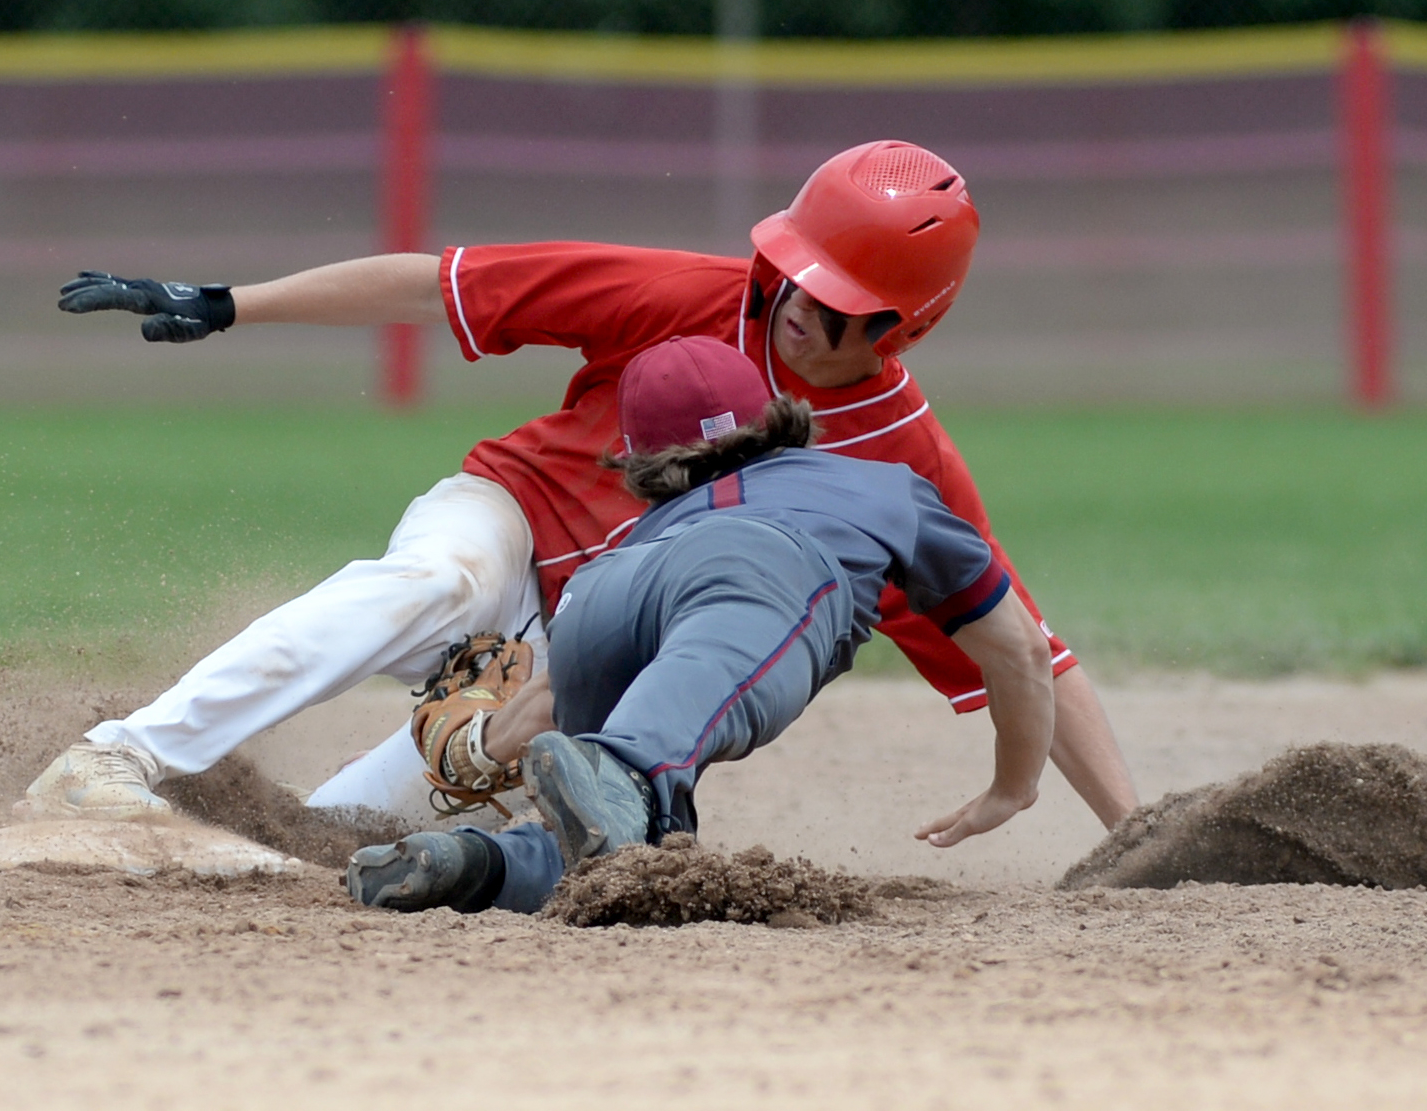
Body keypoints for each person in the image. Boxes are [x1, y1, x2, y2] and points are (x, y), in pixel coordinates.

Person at [20, 139, 1137, 831]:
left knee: (372, 826)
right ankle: (123, 758)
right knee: (430, 581)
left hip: (595, 643)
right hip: (512, 517)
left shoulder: (900, 455)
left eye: (838, 300)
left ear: (909, 326)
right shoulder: (687, 293)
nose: (798, 303)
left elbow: (1029, 652)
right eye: (796, 268)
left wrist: (1132, 830)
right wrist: (229, 301)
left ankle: (237, 845)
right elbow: (439, 288)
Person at [345, 336, 1056, 914]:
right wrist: (1014, 785)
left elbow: (543, 708)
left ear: (642, 457)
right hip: (763, 564)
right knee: (623, 772)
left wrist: (474, 743)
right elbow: (1019, 648)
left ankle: (480, 865)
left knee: (633, 854)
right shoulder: (876, 484)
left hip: (601, 595)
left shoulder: (632, 537)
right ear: (773, 415)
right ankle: (622, 767)